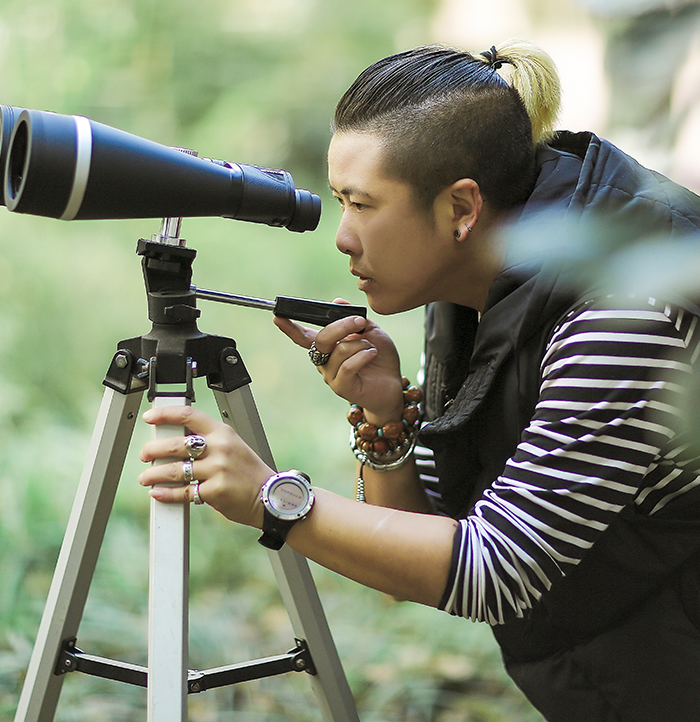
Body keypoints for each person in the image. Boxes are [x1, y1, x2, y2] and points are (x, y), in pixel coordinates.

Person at [138, 40, 700, 721]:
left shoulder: (621, 314)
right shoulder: (480, 278)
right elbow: (415, 544)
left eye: (363, 204)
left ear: (461, 208)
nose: (342, 237)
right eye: (341, 200)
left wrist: (273, 498)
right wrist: (385, 421)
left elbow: (495, 570)